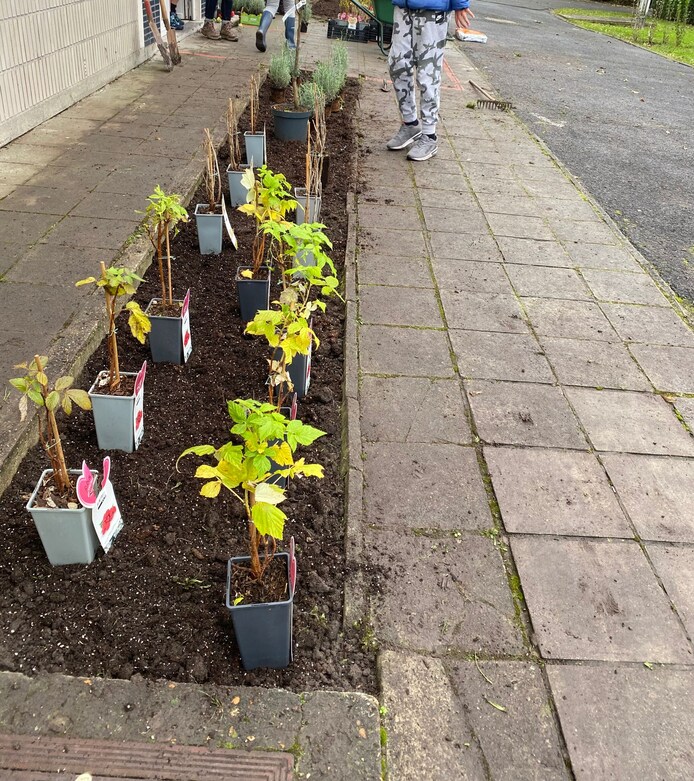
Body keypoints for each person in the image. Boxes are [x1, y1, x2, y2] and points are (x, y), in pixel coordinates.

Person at [386, 0, 473, 161]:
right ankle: (410, 124)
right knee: (397, 65)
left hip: (433, 10)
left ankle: (429, 135)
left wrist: (460, 3)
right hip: (403, 7)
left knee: (427, 74)